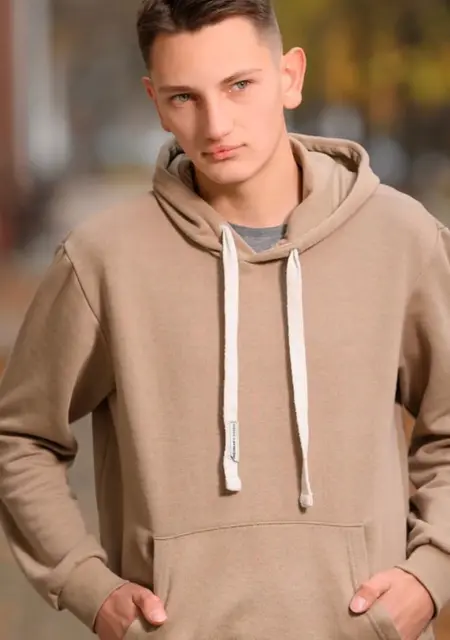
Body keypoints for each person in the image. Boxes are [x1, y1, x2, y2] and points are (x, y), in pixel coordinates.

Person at [0, 0, 449, 638]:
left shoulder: (402, 239)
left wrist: (431, 574)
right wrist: (86, 585)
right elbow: (21, 438)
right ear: (157, 103)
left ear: (289, 77)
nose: (216, 124)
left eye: (239, 85)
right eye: (185, 97)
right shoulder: (102, 261)